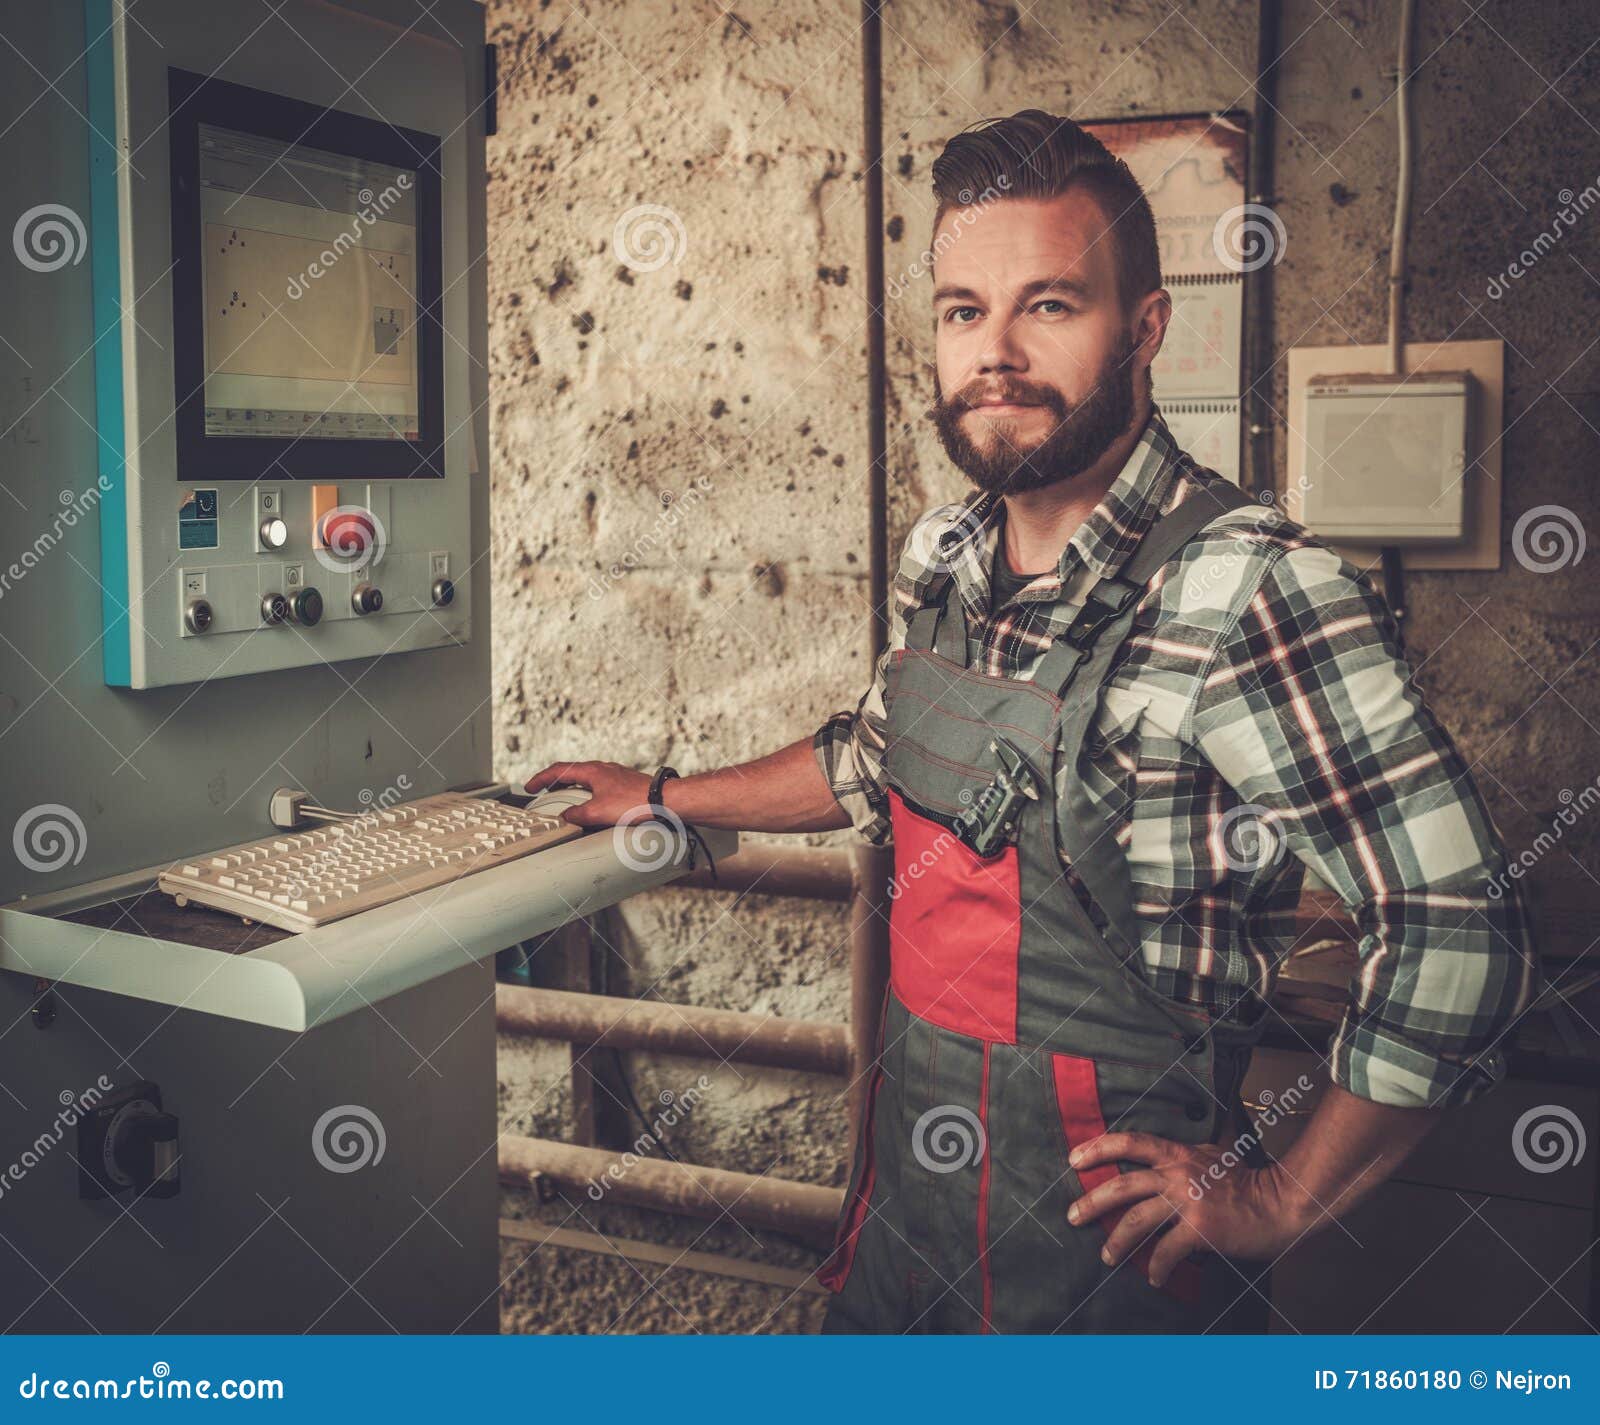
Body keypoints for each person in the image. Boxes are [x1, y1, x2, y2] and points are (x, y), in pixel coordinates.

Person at [526, 110, 1537, 1334]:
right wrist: (669, 798)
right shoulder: (946, 553)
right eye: (963, 310)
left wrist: (1279, 1197)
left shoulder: (1246, 591)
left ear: (1145, 327)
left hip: (1104, 1285)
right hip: (903, 1224)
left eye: (1048, 305)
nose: (993, 352)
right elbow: (879, 751)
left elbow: (1459, 930)